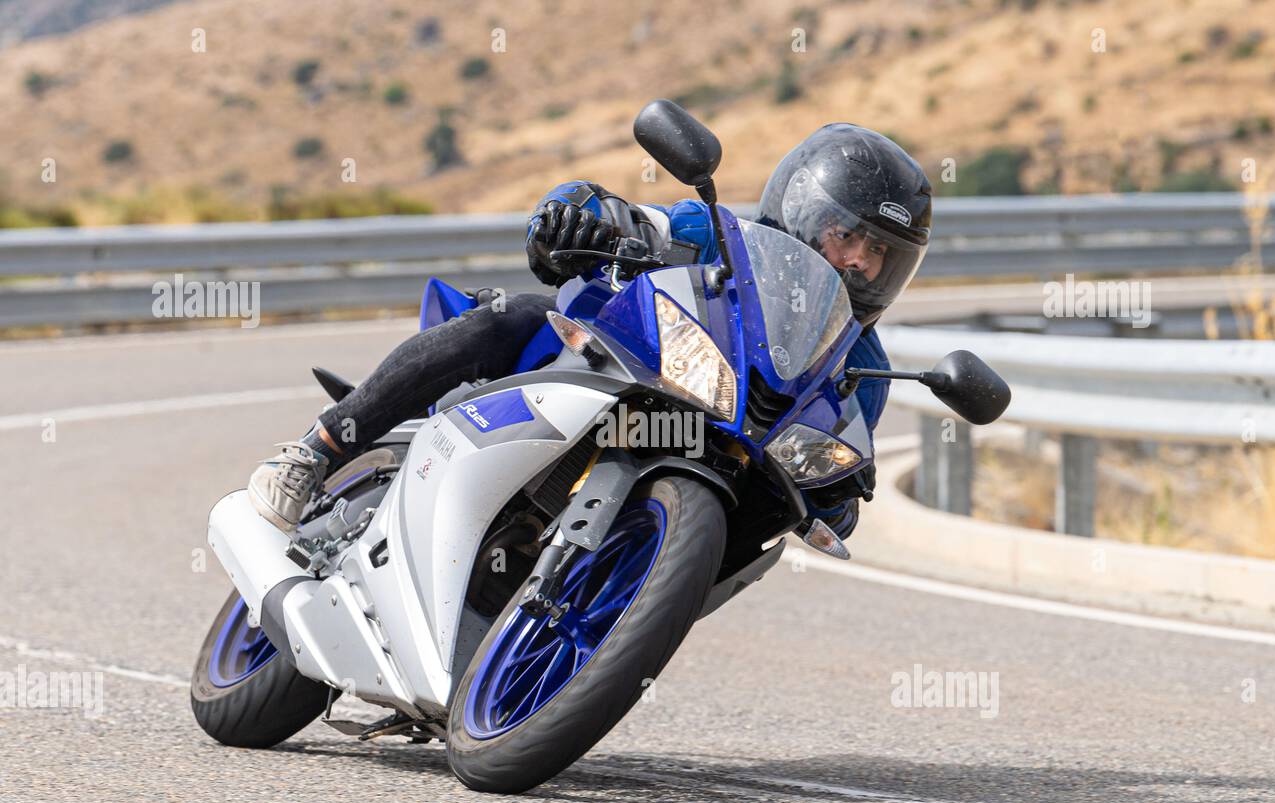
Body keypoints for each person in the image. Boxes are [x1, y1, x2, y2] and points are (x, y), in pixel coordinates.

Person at [247, 124, 932, 540]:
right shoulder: (717, 237)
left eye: (882, 254)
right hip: (611, 378)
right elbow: (629, 216)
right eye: (849, 235)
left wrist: (838, 500)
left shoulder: (861, 369)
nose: (859, 262)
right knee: (514, 316)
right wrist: (576, 215)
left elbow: (834, 486)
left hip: (704, 463)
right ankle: (313, 454)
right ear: (801, 208)